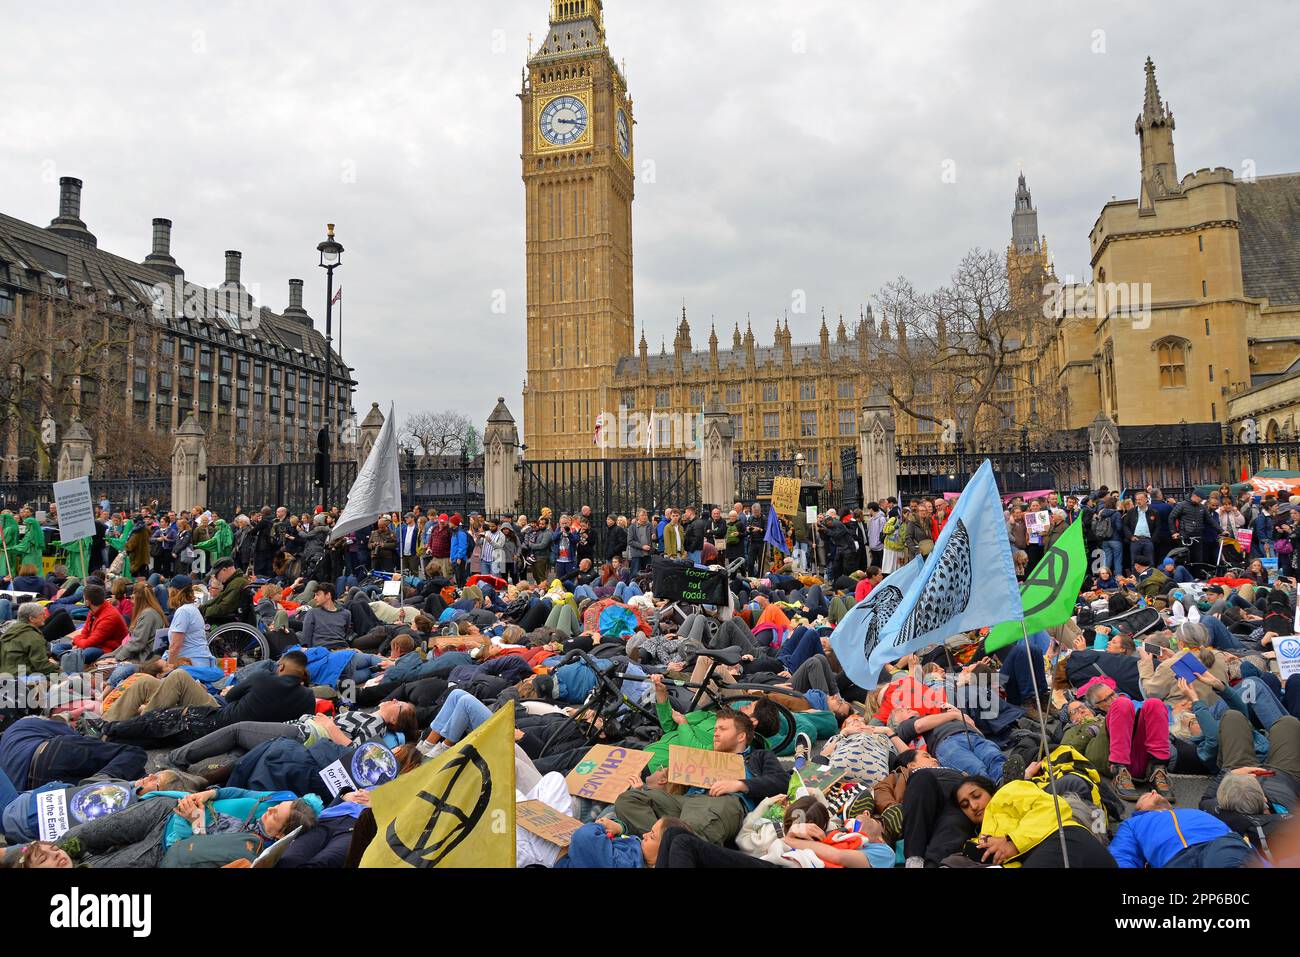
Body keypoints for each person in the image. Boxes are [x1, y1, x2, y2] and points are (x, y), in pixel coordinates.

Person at [612, 709, 786, 845]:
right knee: (629, 799)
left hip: (723, 801)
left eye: (723, 729)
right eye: (716, 728)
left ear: (741, 736)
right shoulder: (704, 755)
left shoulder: (759, 756)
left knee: (693, 825)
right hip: (686, 800)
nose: (715, 733)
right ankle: (660, 845)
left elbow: (782, 781)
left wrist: (740, 785)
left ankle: (668, 849)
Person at [100, 651, 316, 747]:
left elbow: (230, 697)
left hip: (218, 716)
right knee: (146, 683)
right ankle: (109, 722)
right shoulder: (308, 698)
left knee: (179, 676)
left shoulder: (263, 678)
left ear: (281, 667)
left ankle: (137, 723)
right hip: (245, 726)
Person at [1109, 790, 1257, 867]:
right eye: (1146, 795)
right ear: (1138, 810)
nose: (1154, 791)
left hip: (1217, 845)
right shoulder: (1134, 823)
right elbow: (1122, 855)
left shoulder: (1197, 813)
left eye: (1154, 791)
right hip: (1175, 860)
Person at [300, 582, 353, 650]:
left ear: (328, 595)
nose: (315, 598)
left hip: (343, 649)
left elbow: (346, 634)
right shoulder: (312, 613)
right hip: (322, 650)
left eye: (317, 595)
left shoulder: (346, 613)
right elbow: (306, 639)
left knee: (368, 658)